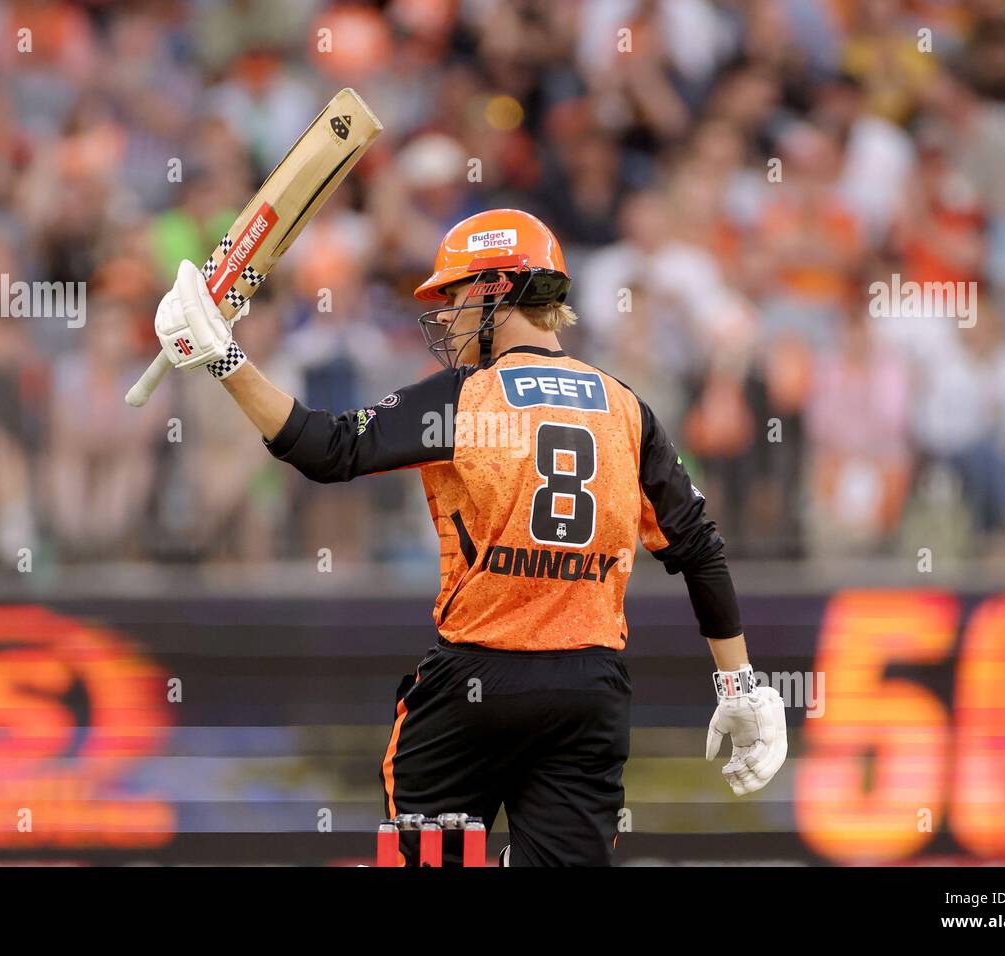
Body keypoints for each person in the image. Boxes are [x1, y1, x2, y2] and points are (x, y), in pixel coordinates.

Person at [149, 208, 787, 866]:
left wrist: (225, 359)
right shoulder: (626, 406)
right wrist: (738, 686)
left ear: (493, 291)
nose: (447, 317)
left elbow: (326, 449)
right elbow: (700, 549)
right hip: (588, 689)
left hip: (475, 685)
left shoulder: (464, 398)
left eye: (454, 297)